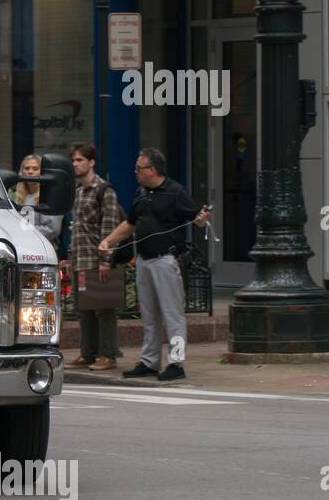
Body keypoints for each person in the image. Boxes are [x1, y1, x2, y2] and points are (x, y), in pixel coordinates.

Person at [98, 148, 210, 382]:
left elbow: (197, 219)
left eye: (139, 168)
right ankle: (149, 361)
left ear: (152, 169)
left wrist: (202, 218)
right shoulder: (142, 193)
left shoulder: (176, 192)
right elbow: (130, 224)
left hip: (166, 259)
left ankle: (176, 362)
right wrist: (109, 240)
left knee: (172, 314)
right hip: (144, 260)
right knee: (149, 315)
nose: (135, 172)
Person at [67, 143, 123, 371]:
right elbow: (76, 228)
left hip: (96, 258)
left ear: (91, 162)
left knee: (104, 309)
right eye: (73, 160)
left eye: (80, 160)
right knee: (85, 310)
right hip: (80, 258)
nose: (75, 164)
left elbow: (109, 228)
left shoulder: (104, 190)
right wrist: (70, 259)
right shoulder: (79, 192)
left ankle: (108, 355)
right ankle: (87, 353)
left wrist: (105, 260)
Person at [12, 154, 63, 245]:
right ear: (21, 172)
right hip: (22, 248)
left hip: (44, 249)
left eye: (35, 169)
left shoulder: (49, 196)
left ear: (42, 172)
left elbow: (52, 229)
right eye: (27, 168)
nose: (30, 172)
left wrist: (22, 233)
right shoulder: (18, 197)